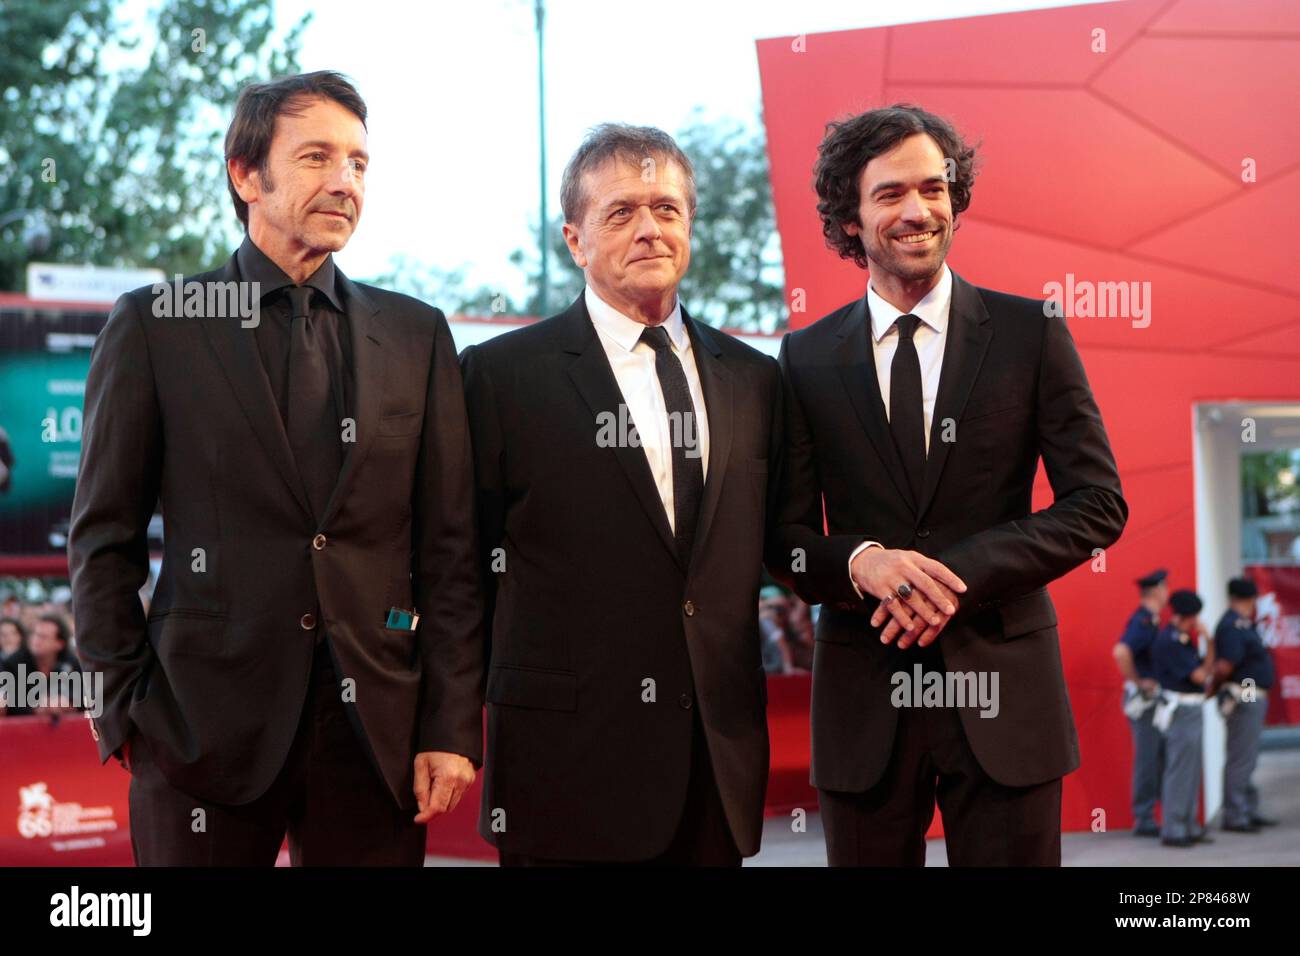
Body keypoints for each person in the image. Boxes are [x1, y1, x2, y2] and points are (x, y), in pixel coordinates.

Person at [68, 71, 483, 866]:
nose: (345, 182)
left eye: (360, 163)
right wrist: (123, 706)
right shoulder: (156, 326)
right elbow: (102, 537)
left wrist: (449, 726)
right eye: (318, 157)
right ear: (245, 174)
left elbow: (451, 552)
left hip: (376, 738)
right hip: (196, 733)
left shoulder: (417, 335)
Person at [769, 104, 1127, 866]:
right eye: (891, 194)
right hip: (866, 700)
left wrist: (955, 575)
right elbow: (783, 538)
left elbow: (1098, 504)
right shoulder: (802, 358)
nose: (918, 210)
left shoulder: (1032, 332)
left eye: (934, 188)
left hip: (1007, 695)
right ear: (850, 218)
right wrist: (863, 562)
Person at [461, 123, 781, 866]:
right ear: (574, 239)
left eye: (668, 209)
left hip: (713, 770)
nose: (650, 229)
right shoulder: (502, 376)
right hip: (560, 773)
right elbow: (457, 567)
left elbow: (780, 540)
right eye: (621, 212)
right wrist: (444, 729)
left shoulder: (755, 380)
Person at [1213, 577, 1277, 832]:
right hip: (1244, 691)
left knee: (1247, 756)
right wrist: (1214, 688)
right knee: (1241, 756)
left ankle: (1247, 809)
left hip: (1251, 690)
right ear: (1249, 600)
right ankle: (1236, 814)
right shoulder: (1232, 625)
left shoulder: (1241, 623)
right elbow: (1227, 664)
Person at [1151, 588, 1212, 848]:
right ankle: (1174, 829)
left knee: (1191, 769)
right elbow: (1200, 676)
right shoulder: (1170, 641)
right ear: (1187, 617)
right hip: (1181, 710)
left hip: (1192, 709)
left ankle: (1187, 824)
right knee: (1179, 770)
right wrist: (1211, 642)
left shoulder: (1183, 638)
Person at [1112, 568, 1168, 836]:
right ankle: (1144, 818)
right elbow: (1121, 651)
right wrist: (1137, 681)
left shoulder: (1153, 620)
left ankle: (1153, 815)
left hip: (1154, 700)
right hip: (1144, 701)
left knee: (1157, 757)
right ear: (1158, 590)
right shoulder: (1143, 621)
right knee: (1147, 759)